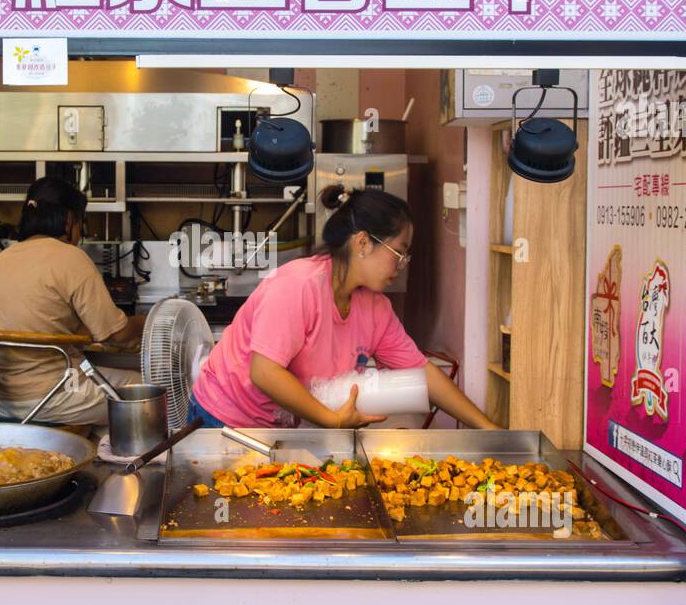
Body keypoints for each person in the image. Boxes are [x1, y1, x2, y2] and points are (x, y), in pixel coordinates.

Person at [187, 184, 498, 431]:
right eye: (398, 252)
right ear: (362, 242)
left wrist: (487, 428)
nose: (402, 265)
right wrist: (332, 420)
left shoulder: (376, 309)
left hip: (280, 428)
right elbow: (265, 372)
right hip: (223, 418)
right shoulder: (298, 286)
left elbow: (422, 373)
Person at [0, 176, 144, 426]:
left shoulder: (3, 258)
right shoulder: (70, 257)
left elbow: (39, 322)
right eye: (81, 223)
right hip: (54, 396)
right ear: (69, 219)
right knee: (146, 391)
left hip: (0, 398)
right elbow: (117, 335)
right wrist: (150, 321)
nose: (80, 233)